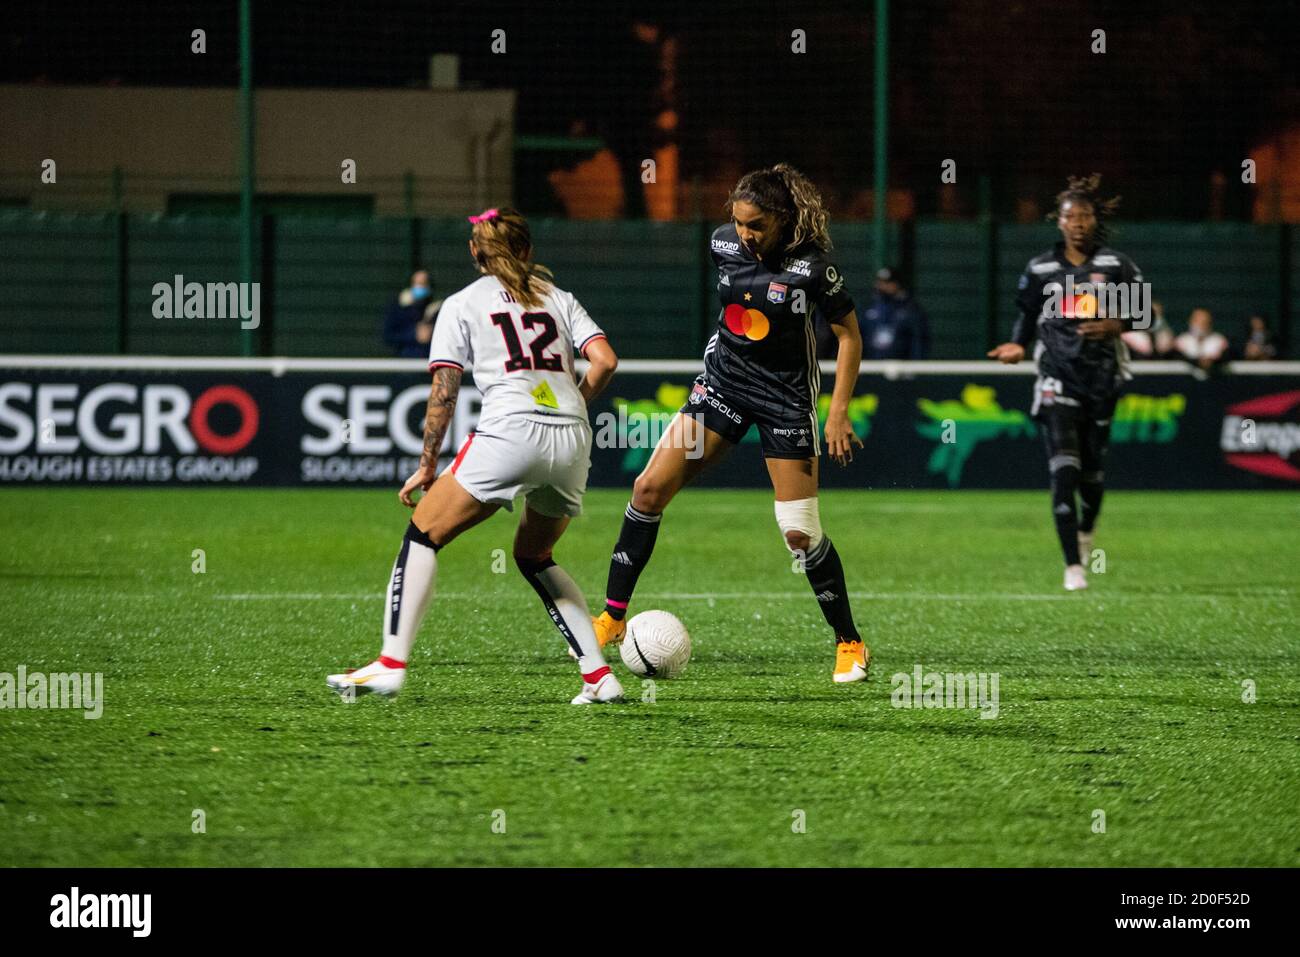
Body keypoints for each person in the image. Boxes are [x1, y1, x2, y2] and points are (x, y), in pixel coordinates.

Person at [329, 208, 623, 704]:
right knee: (536, 556)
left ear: (474, 253)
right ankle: (598, 677)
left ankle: (391, 664)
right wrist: (574, 402)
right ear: (528, 250)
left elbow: (444, 391)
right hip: (573, 439)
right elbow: (606, 361)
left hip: (511, 433)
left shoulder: (463, 304)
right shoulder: (560, 298)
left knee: (423, 534)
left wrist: (427, 463)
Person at [590, 164, 871, 684]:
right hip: (722, 388)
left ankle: (849, 642)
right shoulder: (722, 245)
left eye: (756, 225)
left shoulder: (813, 269)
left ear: (783, 219)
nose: (745, 234)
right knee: (648, 489)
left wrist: (838, 411)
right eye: (739, 223)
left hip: (785, 401)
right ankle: (611, 616)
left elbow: (849, 336)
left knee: (799, 533)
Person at [988, 174, 1148, 591]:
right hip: (1056, 379)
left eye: (1085, 215)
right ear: (1058, 222)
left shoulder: (1115, 265)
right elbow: (1025, 314)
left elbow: (1143, 314)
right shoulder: (1041, 267)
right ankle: (1073, 566)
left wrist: (1118, 323)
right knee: (1065, 469)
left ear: (1094, 220)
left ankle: (1087, 528)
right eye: (1070, 216)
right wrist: (1017, 344)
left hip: (1101, 379)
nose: (1078, 222)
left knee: (1092, 475)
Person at [860, 267, 931, 359]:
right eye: (880, 282)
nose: (882, 286)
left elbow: (919, 341)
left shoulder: (911, 309)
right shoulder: (868, 307)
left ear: (897, 284)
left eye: (887, 283)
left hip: (900, 365)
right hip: (870, 364)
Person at [383, 270, 441, 358]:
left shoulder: (437, 309)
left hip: (431, 361)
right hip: (406, 362)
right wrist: (414, 334)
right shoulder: (399, 308)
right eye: (416, 283)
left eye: (423, 283)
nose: (419, 287)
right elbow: (388, 335)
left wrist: (430, 333)